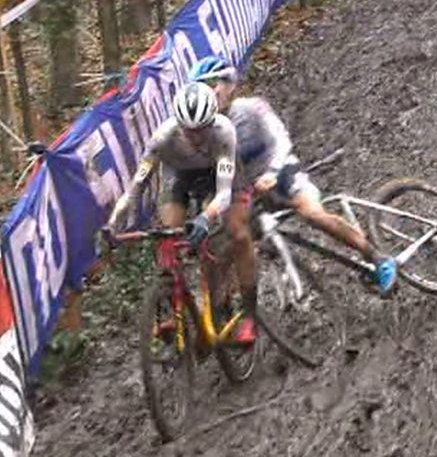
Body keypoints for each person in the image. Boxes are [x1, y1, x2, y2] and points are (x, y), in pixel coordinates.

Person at [188, 57, 397, 329]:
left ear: (228, 84)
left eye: (213, 85)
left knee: (311, 213)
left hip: (283, 171)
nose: (209, 93)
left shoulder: (252, 108)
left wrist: (273, 172)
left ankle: (377, 258)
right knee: (226, 246)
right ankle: (226, 313)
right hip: (253, 193)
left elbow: (281, 138)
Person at [106, 82, 236, 247]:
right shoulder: (162, 139)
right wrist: (113, 224)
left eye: (202, 129)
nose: (196, 138)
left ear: (211, 122)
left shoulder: (224, 132)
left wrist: (205, 218)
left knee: (214, 231)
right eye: (189, 131)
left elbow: (224, 193)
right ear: (179, 125)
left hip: (212, 173)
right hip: (177, 174)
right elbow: (136, 188)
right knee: (170, 235)